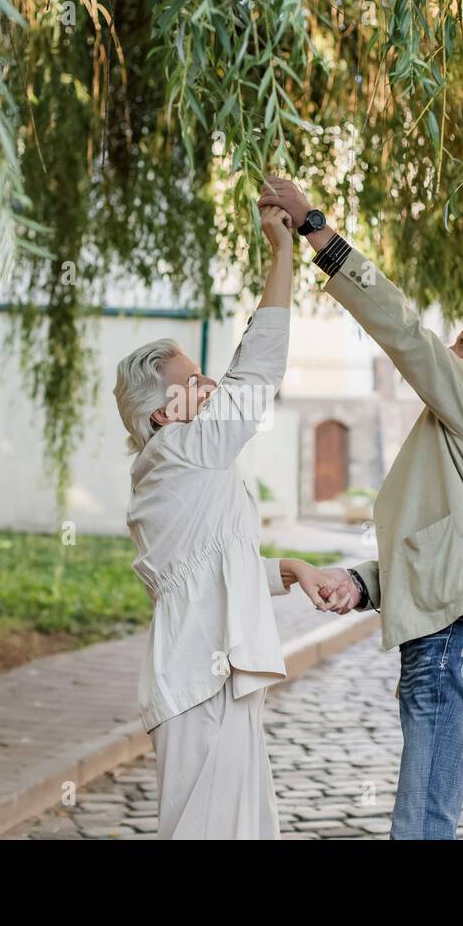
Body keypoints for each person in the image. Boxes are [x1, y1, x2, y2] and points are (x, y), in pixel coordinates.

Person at [259, 176, 463, 840]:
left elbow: (406, 332)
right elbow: (446, 553)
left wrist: (315, 230)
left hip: (453, 648)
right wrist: (358, 583)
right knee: (423, 828)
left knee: (419, 831)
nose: (451, 349)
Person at [112, 205, 338, 839]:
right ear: (161, 414)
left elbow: (214, 565)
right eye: (194, 383)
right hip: (198, 677)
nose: (211, 387)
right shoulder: (180, 450)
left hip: (214, 673)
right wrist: (283, 254)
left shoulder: (186, 462)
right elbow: (256, 373)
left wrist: (288, 568)